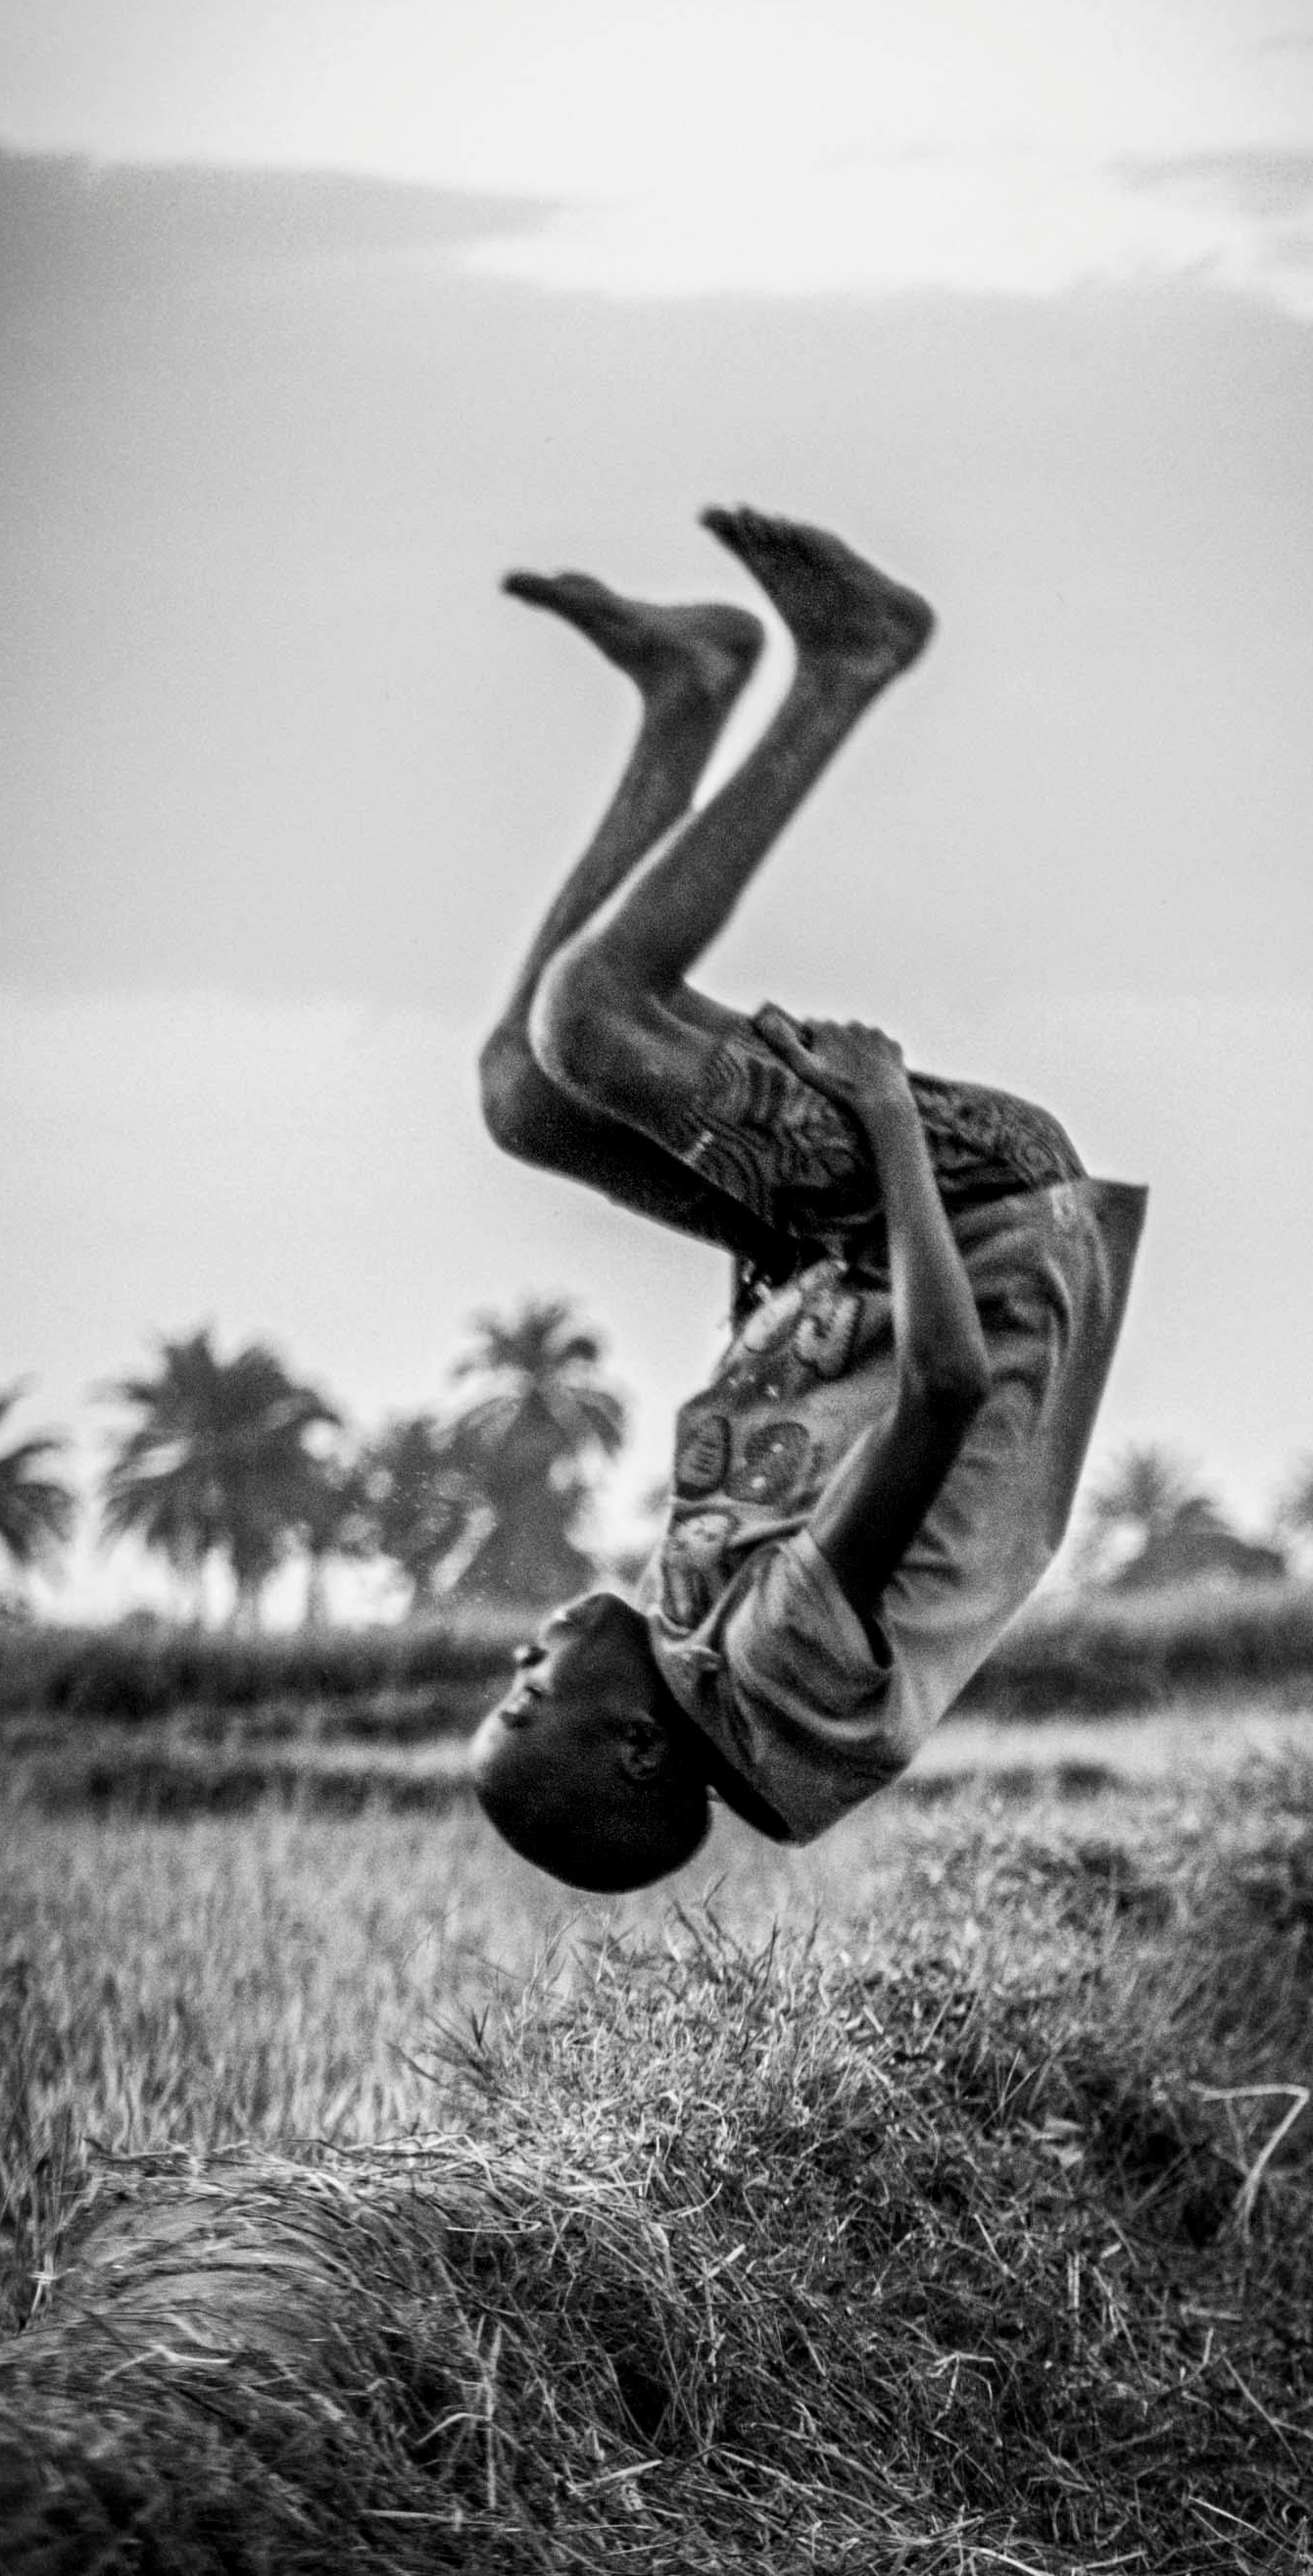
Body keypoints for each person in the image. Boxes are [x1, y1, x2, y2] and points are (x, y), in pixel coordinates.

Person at [469, 510, 1145, 1890]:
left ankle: (686, 694)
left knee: (521, 1093)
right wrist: (887, 1114)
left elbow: (806, 1413)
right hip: (990, 1217)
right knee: (593, 1017)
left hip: (868, 1262)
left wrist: (771, 1269)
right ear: (639, 1753)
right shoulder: (782, 1666)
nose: (524, 1654)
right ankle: (848, 658)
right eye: (531, 1694)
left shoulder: (702, 1656)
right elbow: (944, 1390)